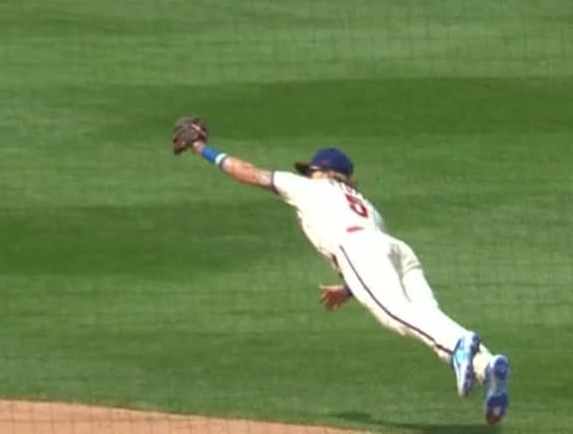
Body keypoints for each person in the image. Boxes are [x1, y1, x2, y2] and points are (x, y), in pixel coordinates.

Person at [170, 117, 511, 426]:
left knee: (397, 316)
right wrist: (349, 288)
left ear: (323, 171)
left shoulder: (309, 187)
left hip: (360, 252)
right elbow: (375, 257)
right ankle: (487, 366)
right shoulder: (365, 204)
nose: (307, 174)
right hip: (397, 250)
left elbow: (248, 172)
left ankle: (462, 345)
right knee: (427, 315)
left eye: (310, 170)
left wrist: (203, 149)